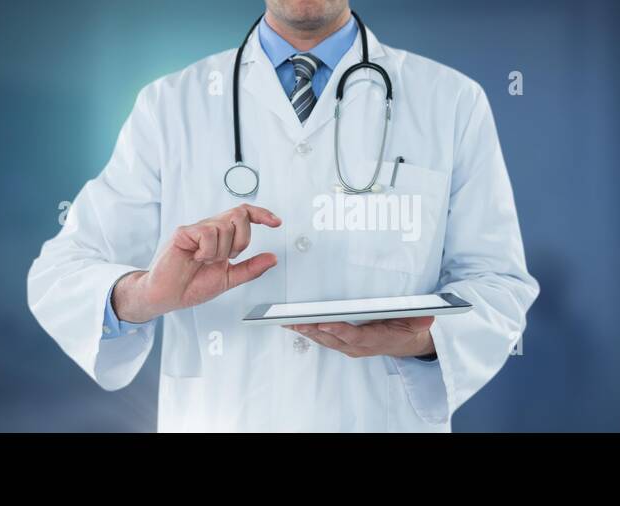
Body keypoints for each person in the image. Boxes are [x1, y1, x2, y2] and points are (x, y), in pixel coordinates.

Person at [27, 0, 538, 432]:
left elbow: (499, 285)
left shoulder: (450, 101)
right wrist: (143, 295)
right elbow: (60, 274)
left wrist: (425, 340)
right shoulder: (168, 106)